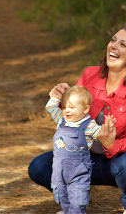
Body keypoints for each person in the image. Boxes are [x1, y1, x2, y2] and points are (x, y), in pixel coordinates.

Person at [29, 27, 126, 214]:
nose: (113, 46)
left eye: (122, 44)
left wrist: (112, 144)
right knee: (39, 167)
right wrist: (58, 97)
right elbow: (71, 114)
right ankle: (76, 199)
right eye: (113, 40)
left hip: (116, 161)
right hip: (82, 157)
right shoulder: (90, 74)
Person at [45, 85, 103, 214]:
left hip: (79, 171)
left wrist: (109, 130)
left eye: (71, 107)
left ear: (85, 109)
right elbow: (50, 107)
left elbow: (103, 136)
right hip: (59, 170)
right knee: (61, 194)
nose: (66, 111)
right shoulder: (61, 120)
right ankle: (66, 211)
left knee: (78, 198)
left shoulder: (89, 125)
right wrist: (56, 97)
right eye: (64, 107)